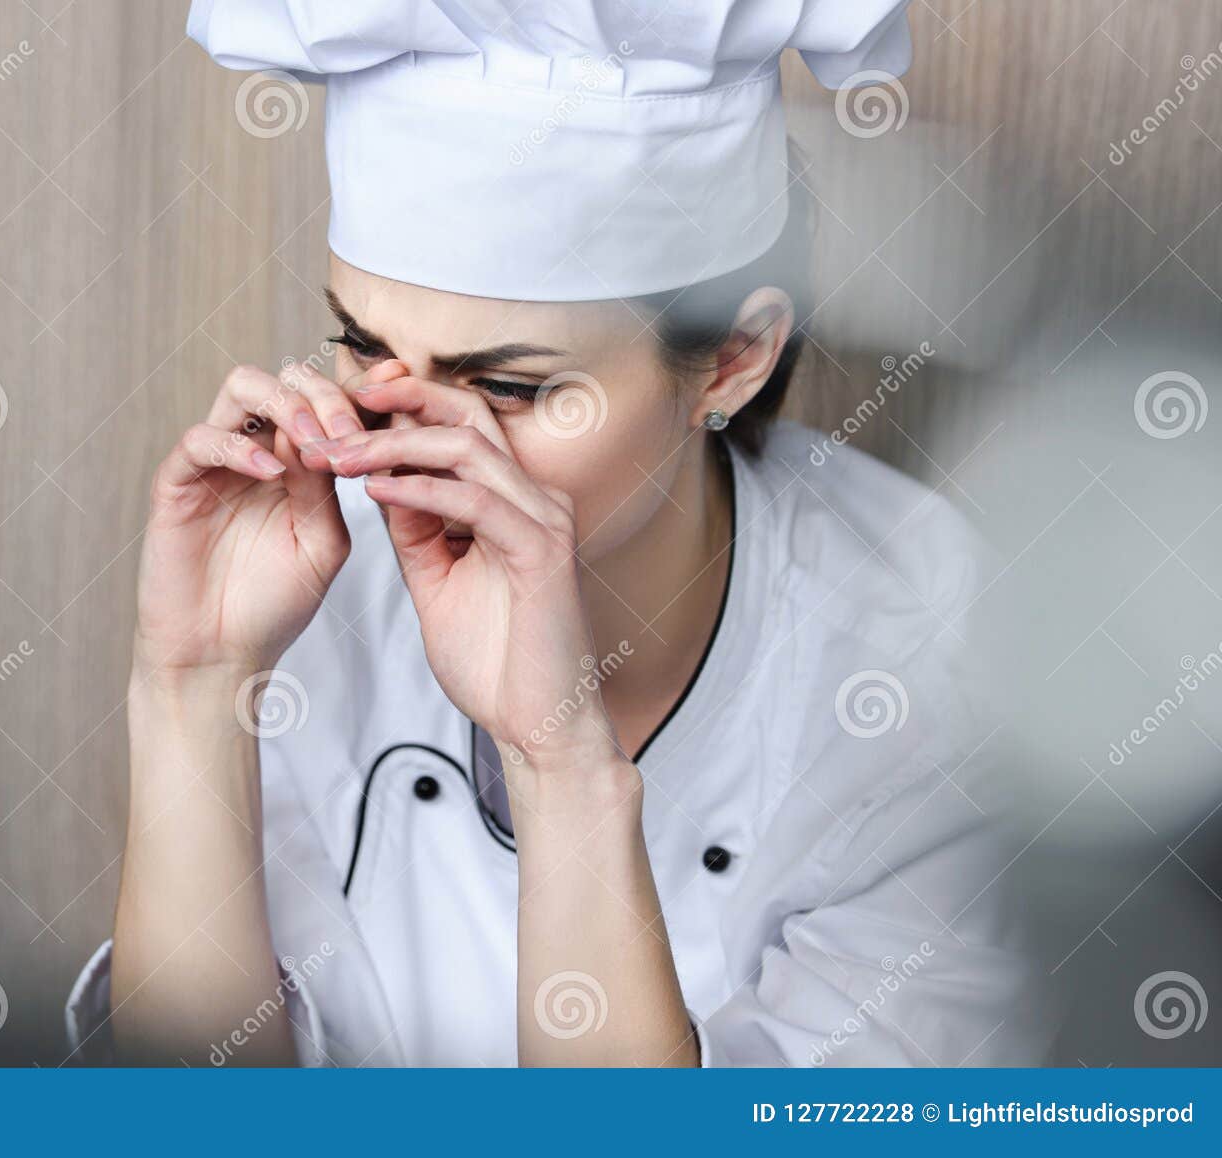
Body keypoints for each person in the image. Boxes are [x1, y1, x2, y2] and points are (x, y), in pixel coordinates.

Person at [66, 0, 1044, 1066]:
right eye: (364, 346)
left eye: (511, 387)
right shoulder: (306, 572)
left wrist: (560, 763)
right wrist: (195, 685)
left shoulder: (933, 660)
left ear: (733, 360)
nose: (417, 444)